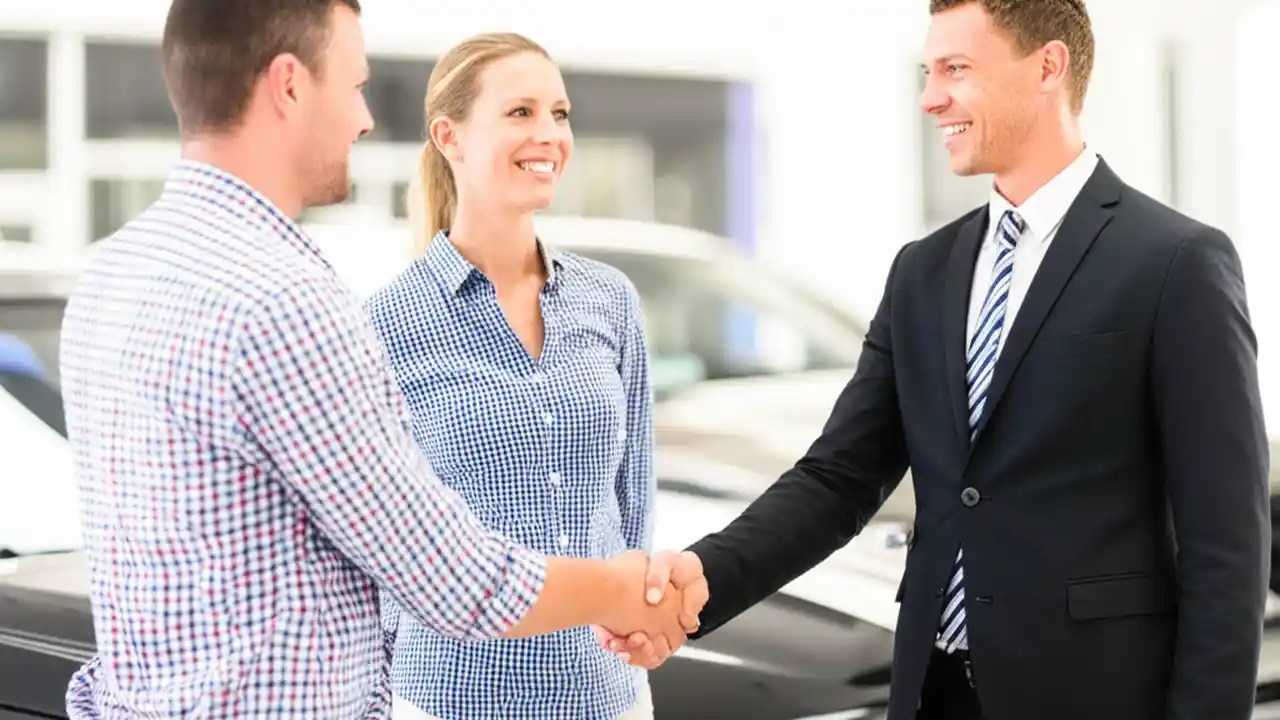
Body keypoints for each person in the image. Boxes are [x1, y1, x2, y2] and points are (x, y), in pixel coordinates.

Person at [610, 1, 1272, 718]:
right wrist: (701, 579)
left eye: (956, 69)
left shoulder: (1175, 263)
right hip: (931, 692)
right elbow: (838, 478)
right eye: (929, 73)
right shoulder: (923, 271)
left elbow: (1227, 544)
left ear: (1048, 66)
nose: (930, 98)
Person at [58, 2, 698, 718]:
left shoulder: (112, 273)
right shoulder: (287, 302)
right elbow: (450, 577)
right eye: (355, 85)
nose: (364, 120)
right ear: (290, 85)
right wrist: (626, 591)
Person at [361, 32, 661, 720]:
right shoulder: (384, 325)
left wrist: (638, 615)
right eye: (520, 112)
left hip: (608, 698)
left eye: (560, 113)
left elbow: (634, 503)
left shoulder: (609, 300)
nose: (549, 134)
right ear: (450, 137)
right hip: (452, 699)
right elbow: (378, 551)